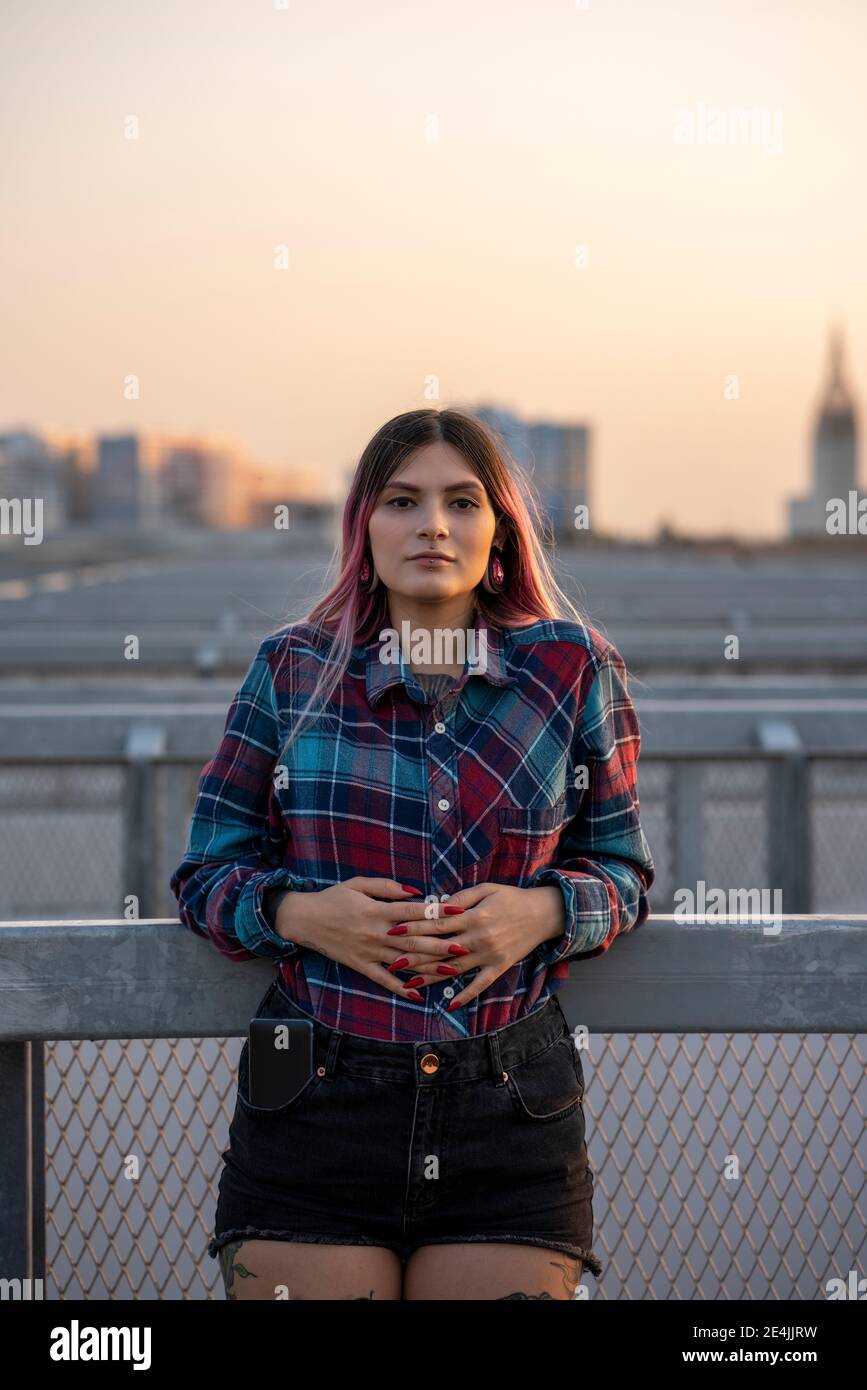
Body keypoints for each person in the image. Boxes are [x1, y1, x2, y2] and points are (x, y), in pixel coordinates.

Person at [170, 407, 655, 1300]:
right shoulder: (290, 670)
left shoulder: (572, 669)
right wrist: (298, 913)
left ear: (497, 531)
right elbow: (204, 874)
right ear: (365, 527)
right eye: (402, 500)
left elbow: (623, 869)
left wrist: (544, 911)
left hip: (508, 1104)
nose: (432, 524)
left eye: (460, 502)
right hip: (317, 1097)